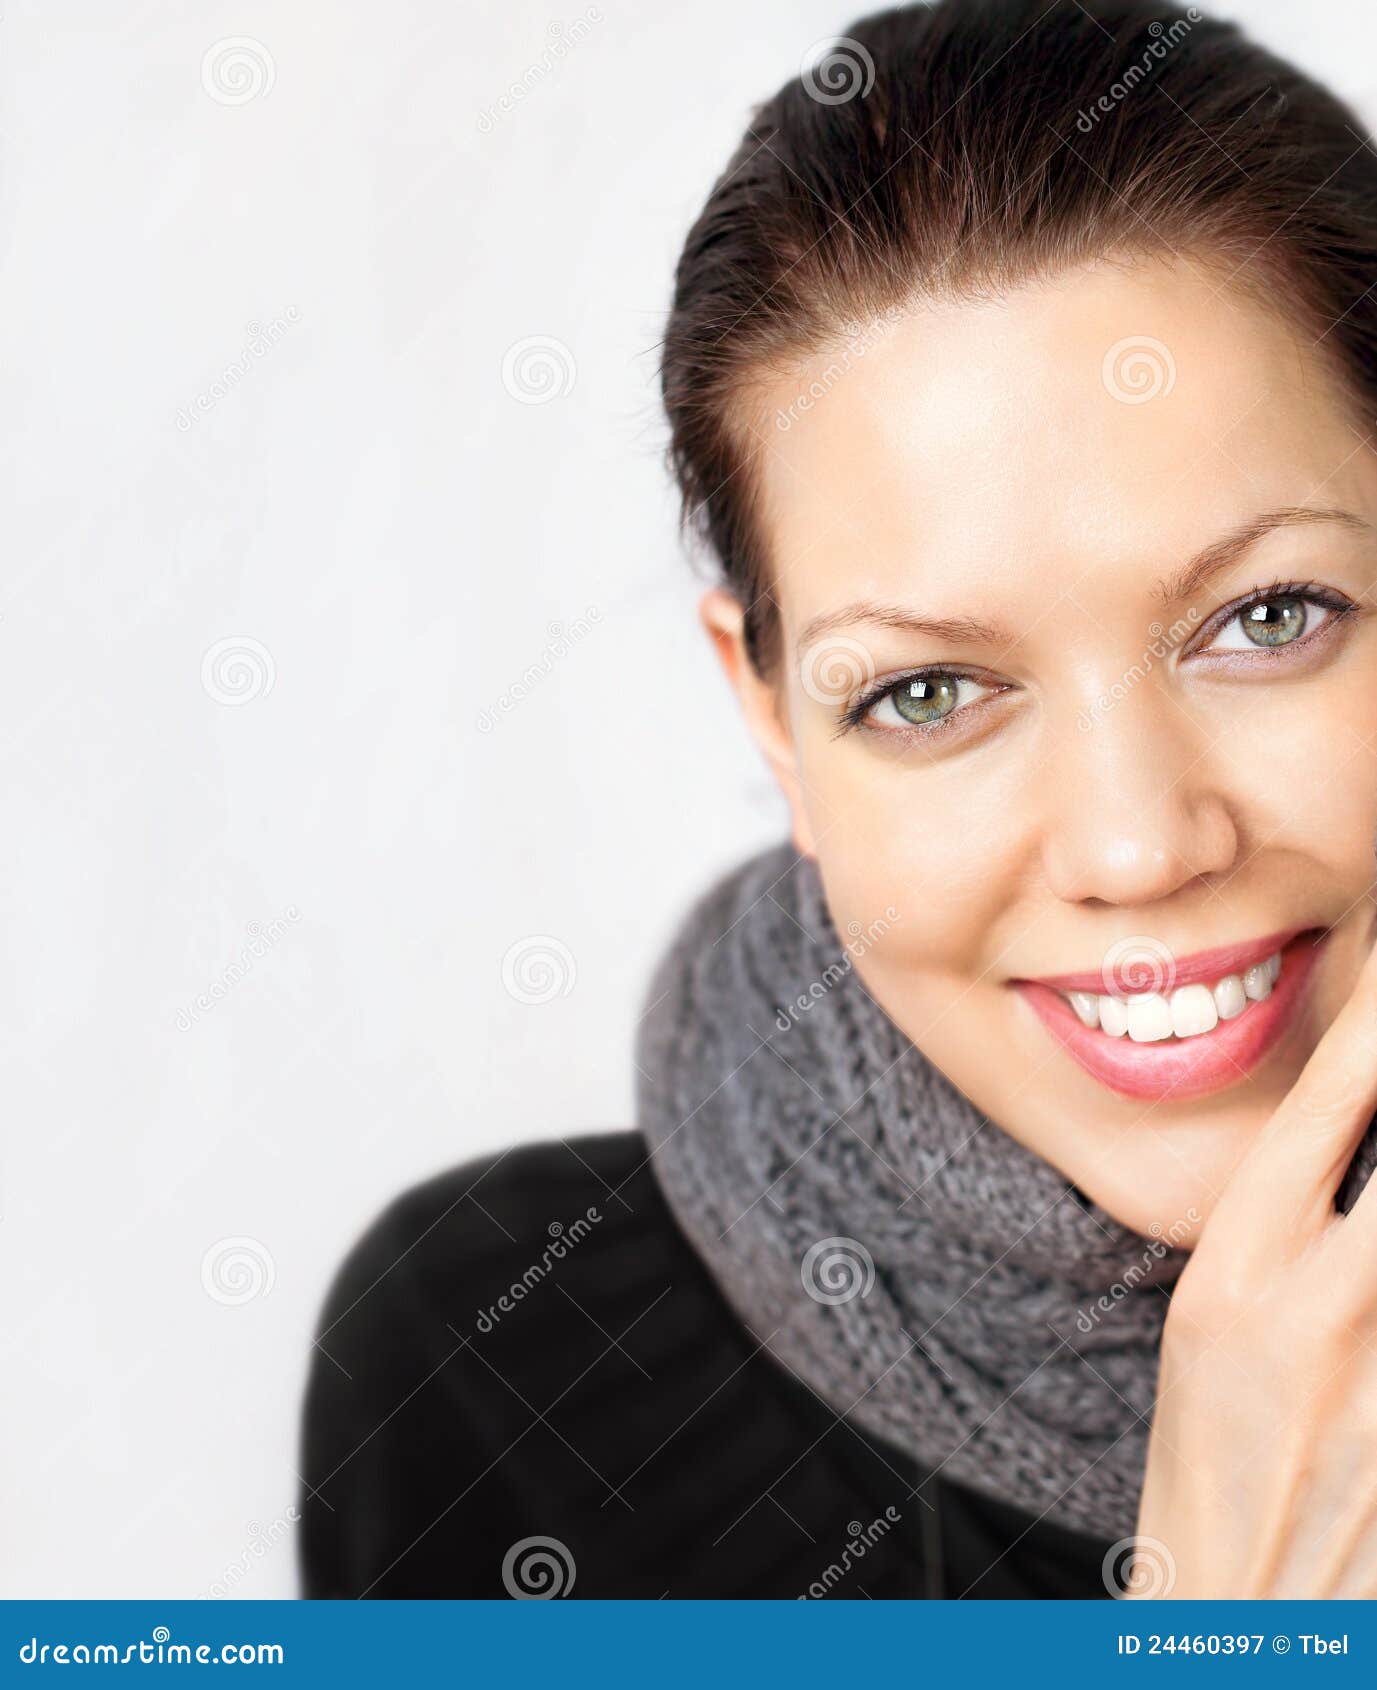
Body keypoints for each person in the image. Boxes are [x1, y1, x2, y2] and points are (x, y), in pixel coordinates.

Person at [299, 0, 1377, 1598]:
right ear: (773, 721)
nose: (1136, 844)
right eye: (925, 691)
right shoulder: (505, 1360)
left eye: (1267, 618)